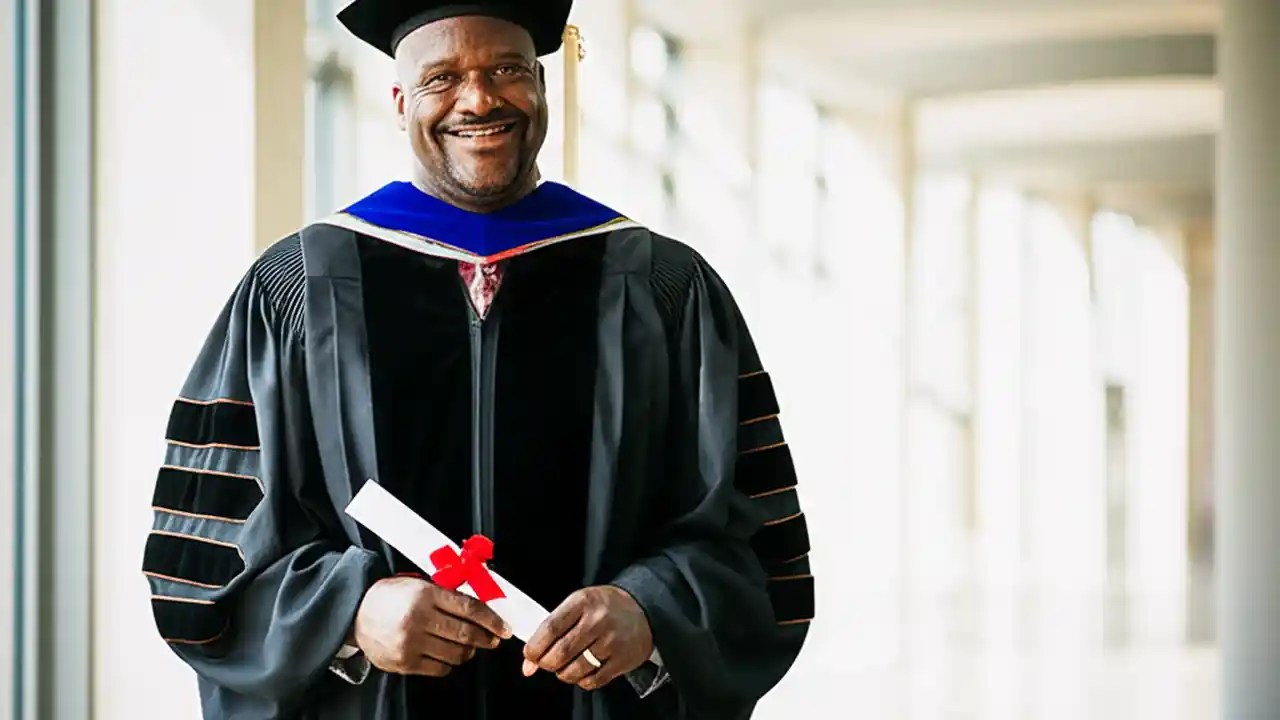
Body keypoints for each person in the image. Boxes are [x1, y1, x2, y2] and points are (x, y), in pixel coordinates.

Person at [140, 1, 813, 718]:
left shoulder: (666, 288)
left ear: (544, 87)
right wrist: (349, 616)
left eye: (507, 69)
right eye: (442, 77)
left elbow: (757, 542)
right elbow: (203, 559)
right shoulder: (295, 290)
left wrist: (650, 613)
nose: (480, 97)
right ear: (400, 104)